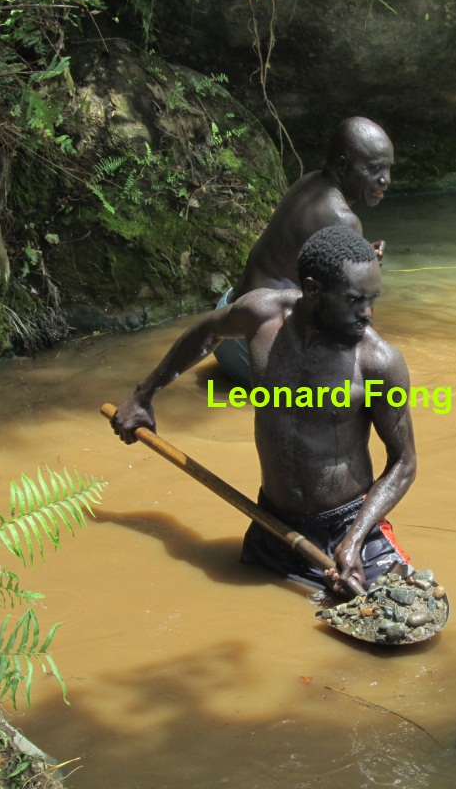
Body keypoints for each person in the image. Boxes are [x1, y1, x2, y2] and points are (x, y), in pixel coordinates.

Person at [112, 226, 415, 596]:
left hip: (349, 528)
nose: (367, 313)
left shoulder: (379, 363)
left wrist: (353, 539)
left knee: (392, 615)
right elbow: (206, 332)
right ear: (313, 289)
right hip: (271, 524)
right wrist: (143, 396)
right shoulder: (261, 316)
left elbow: (403, 463)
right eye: (353, 300)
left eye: (373, 298)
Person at [214, 117, 394, 386]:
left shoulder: (309, 182)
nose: (386, 180)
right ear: (343, 165)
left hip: (226, 318)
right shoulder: (343, 219)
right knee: (360, 385)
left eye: (389, 169)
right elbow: (347, 313)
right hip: (252, 348)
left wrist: (360, 254)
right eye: (375, 169)